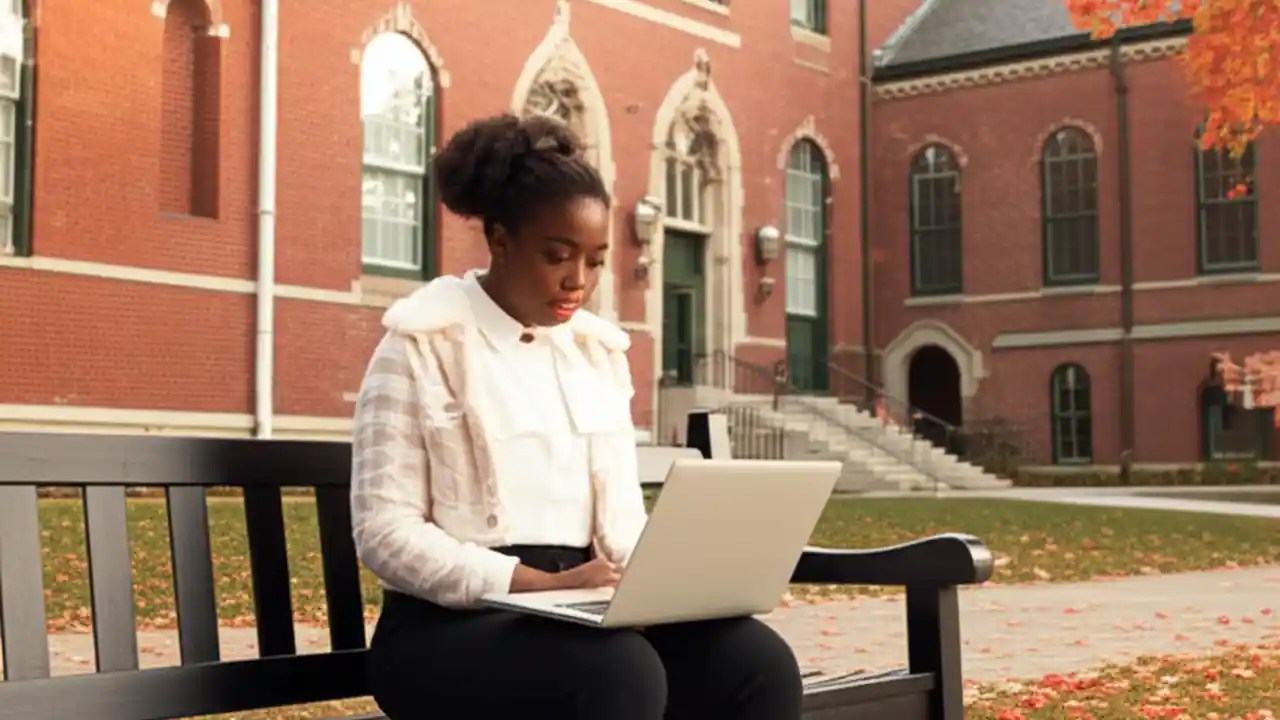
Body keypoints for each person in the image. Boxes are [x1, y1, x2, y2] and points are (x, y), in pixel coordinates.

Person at [350, 113, 803, 719]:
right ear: (501, 239)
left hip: (586, 608)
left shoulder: (597, 355)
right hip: (449, 629)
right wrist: (538, 585)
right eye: (557, 256)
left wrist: (677, 586)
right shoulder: (420, 344)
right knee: (616, 672)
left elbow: (620, 523)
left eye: (594, 261)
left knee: (754, 663)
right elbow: (384, 533)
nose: (578, 282)